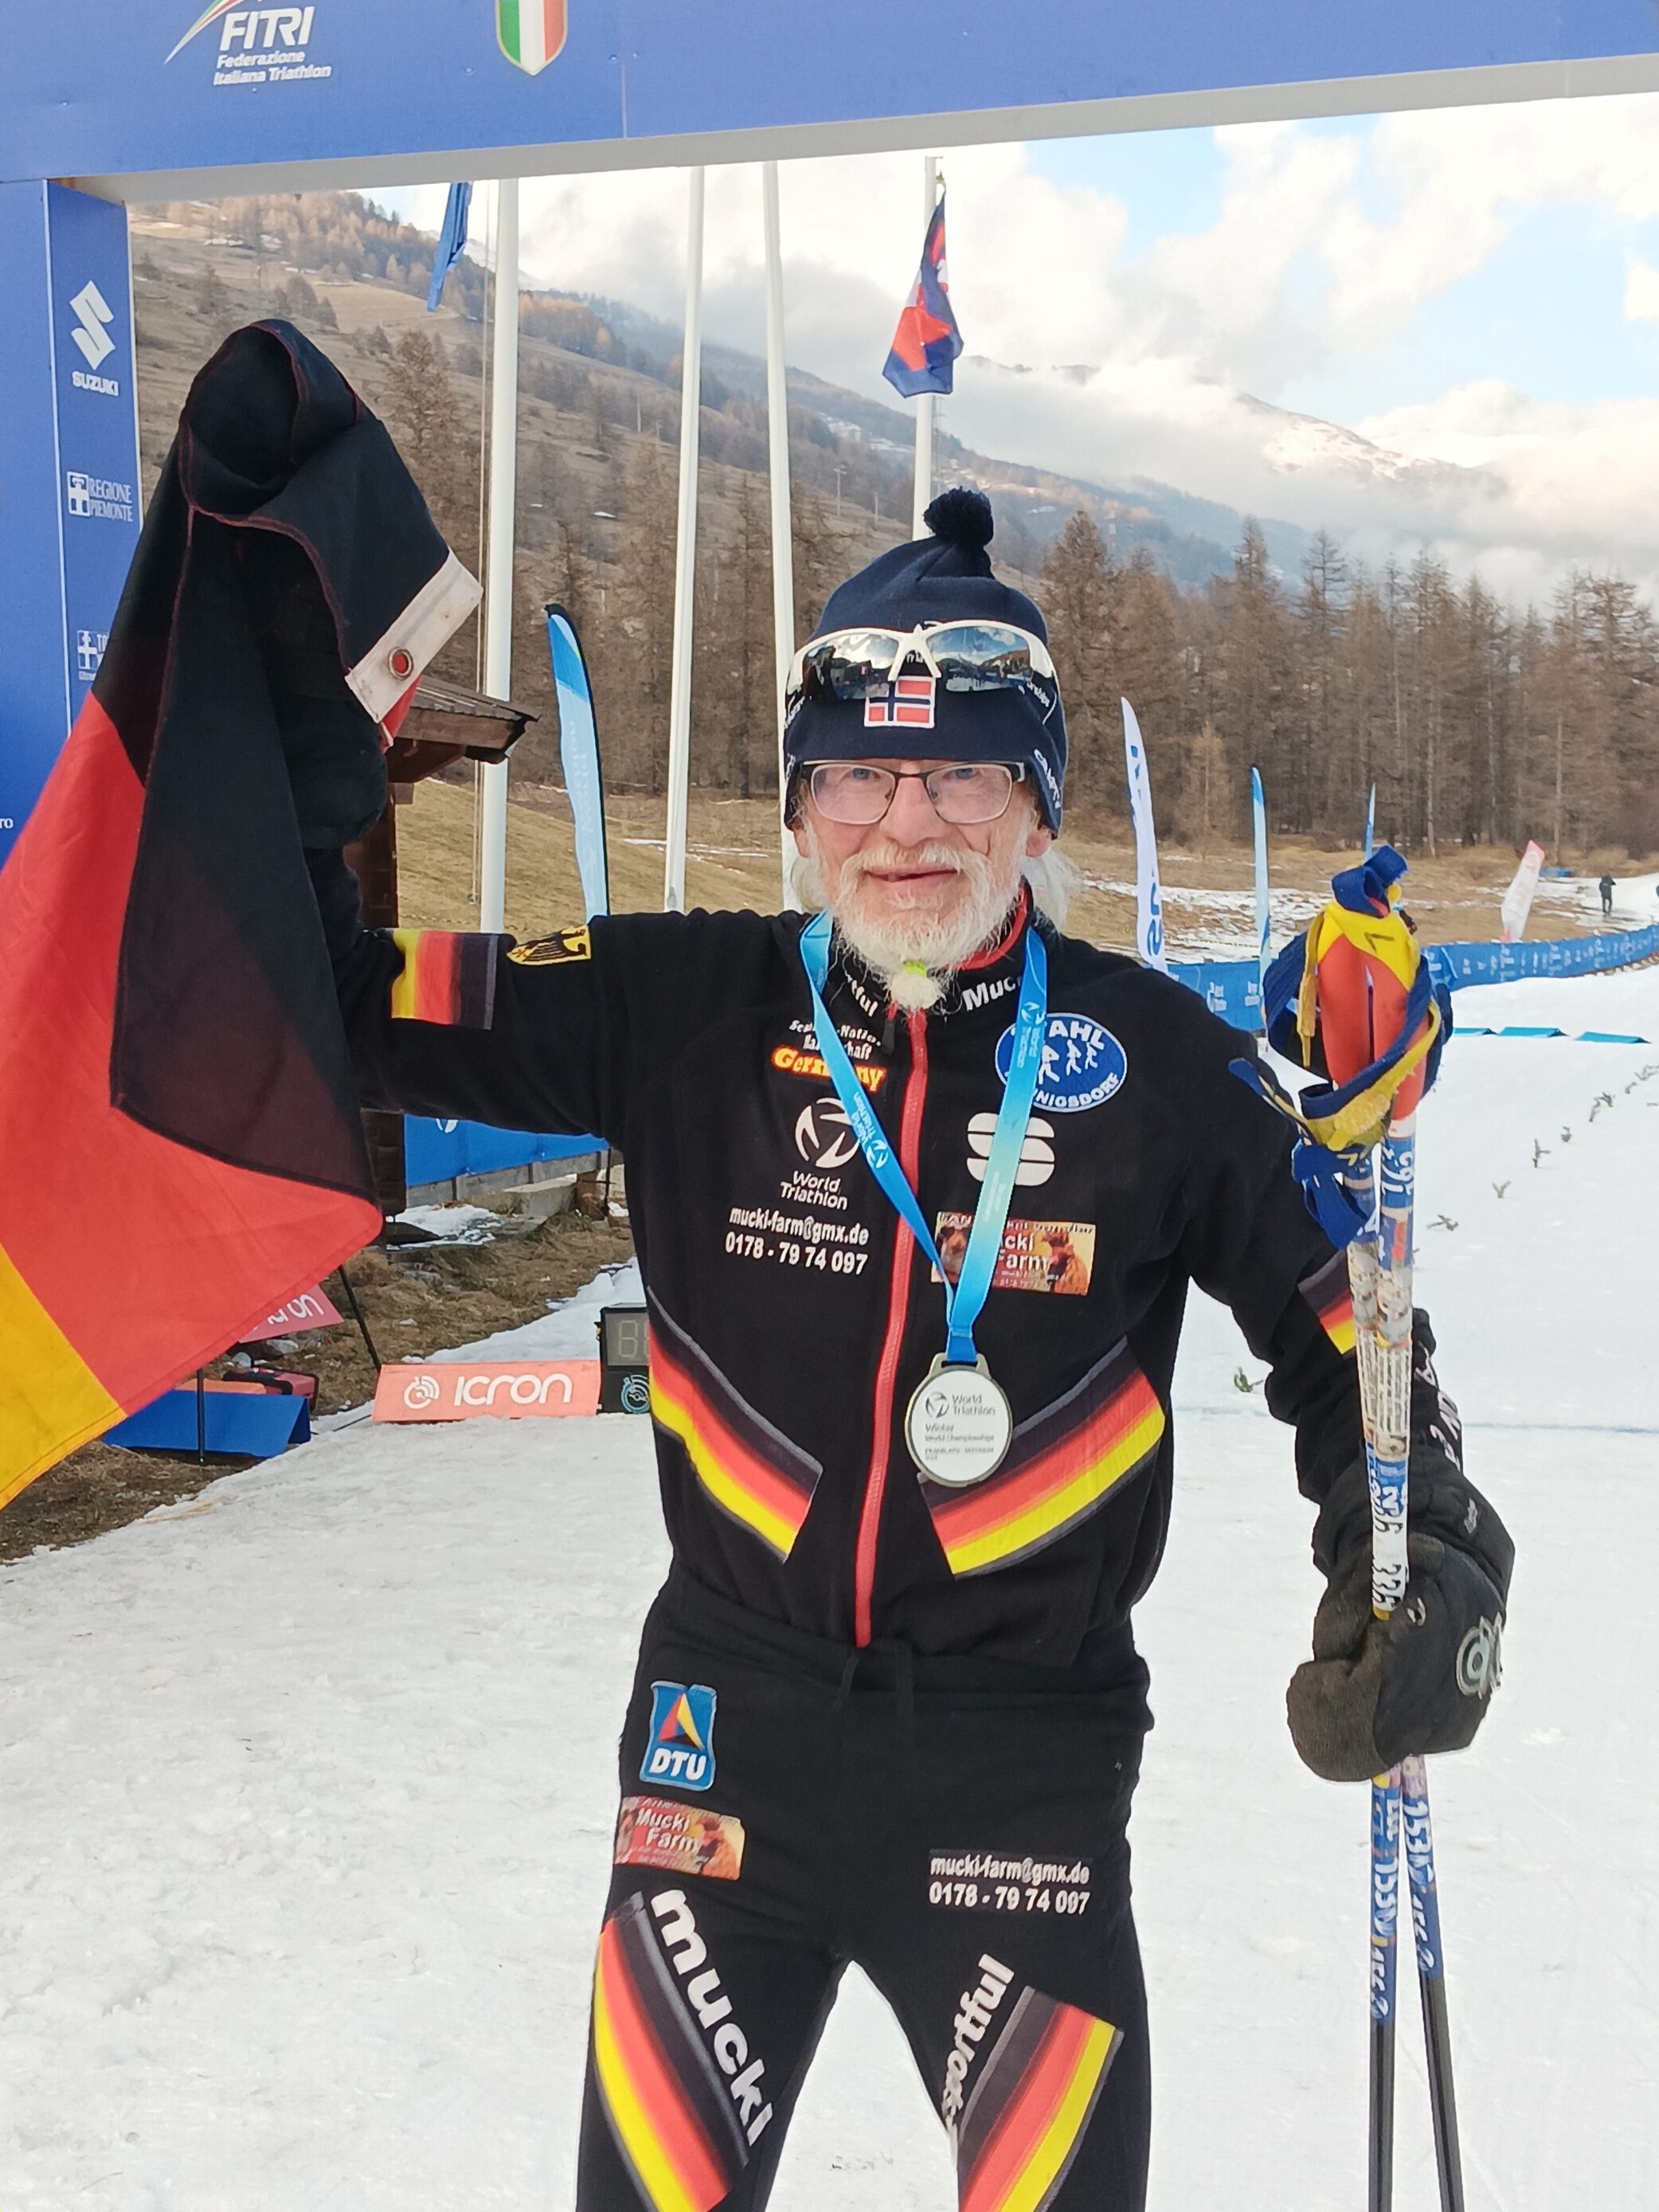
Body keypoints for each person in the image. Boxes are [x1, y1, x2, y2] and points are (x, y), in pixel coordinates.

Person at [303, 489, 1512, 2210]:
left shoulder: (1149, 1059)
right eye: (856, 779)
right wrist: (293, 717)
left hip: (1023, 1760)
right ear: (799, 811)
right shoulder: (675, 1005)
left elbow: (1354, 1338)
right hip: (723, 1748)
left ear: (1032, 806)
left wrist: (1426, 1549)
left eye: (960, 775)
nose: (905, 827)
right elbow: (341, 1001)